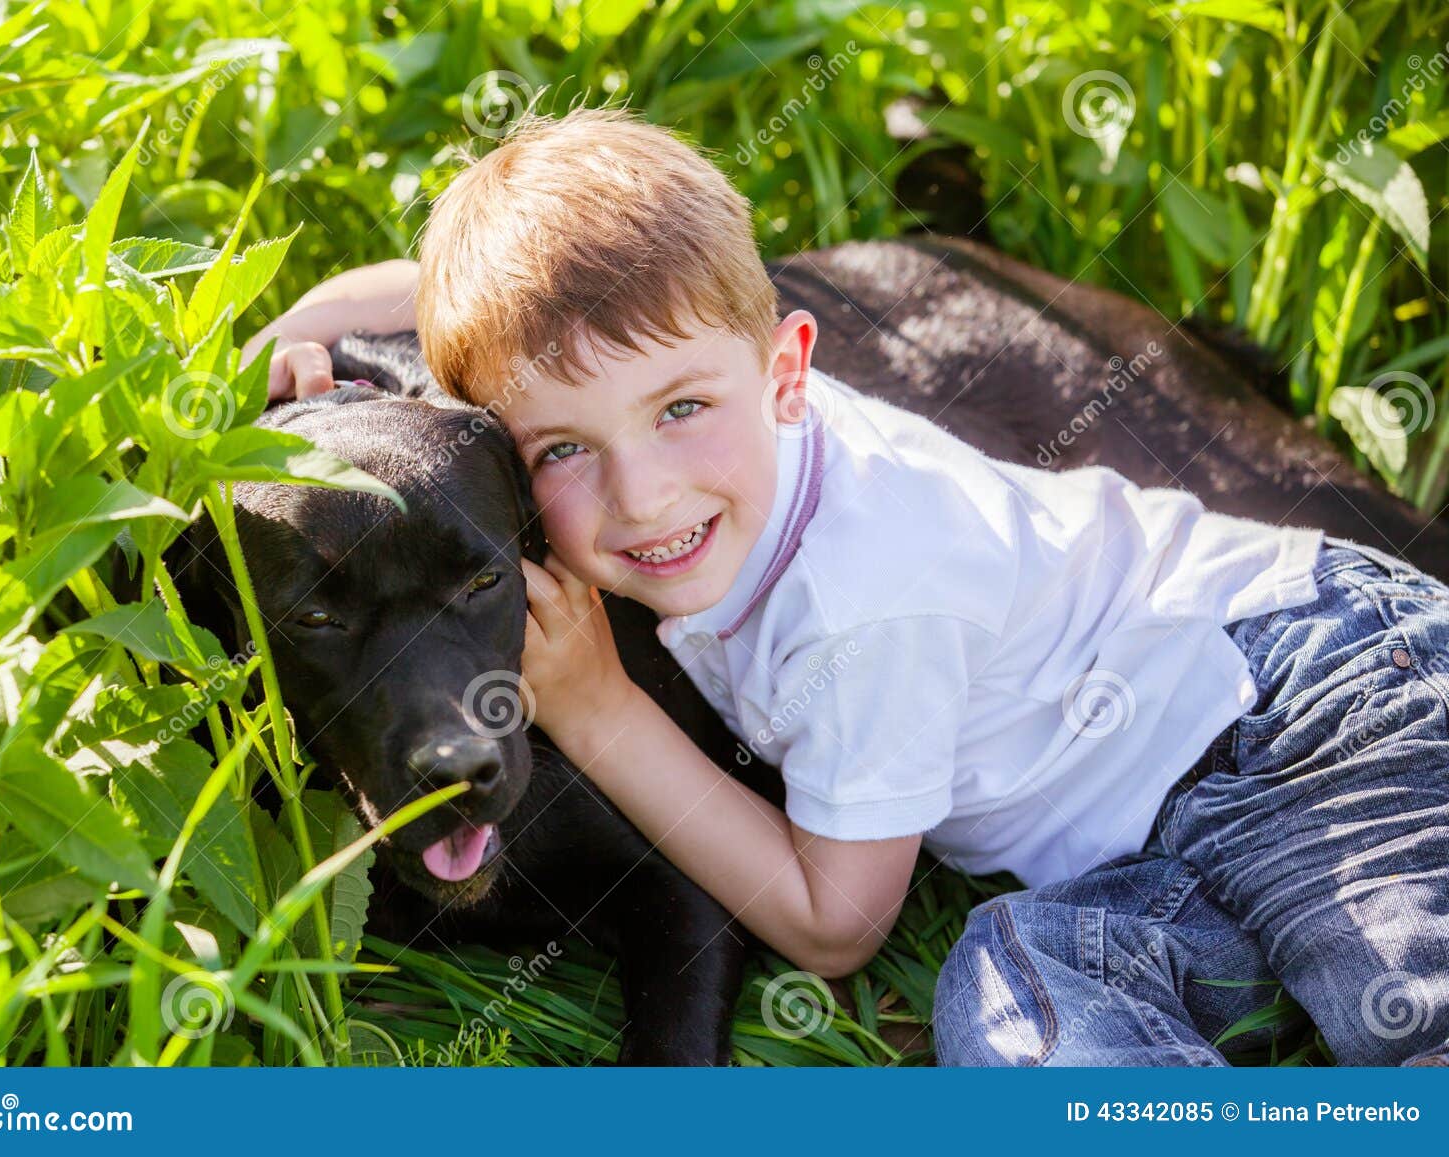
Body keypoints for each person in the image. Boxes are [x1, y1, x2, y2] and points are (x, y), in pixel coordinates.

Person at [245, 108, 1449, 1066]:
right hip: (1142, 836)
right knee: (1014, 1002)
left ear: (785, 370)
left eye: (677, 413)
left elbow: (837, 926)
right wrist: (280, 334)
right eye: (562, 446)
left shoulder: (868, 595)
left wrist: (603, 708)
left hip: (1298, 702)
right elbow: (424, 297)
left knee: (1406, 995)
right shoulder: (701, 372)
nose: (645, 497)